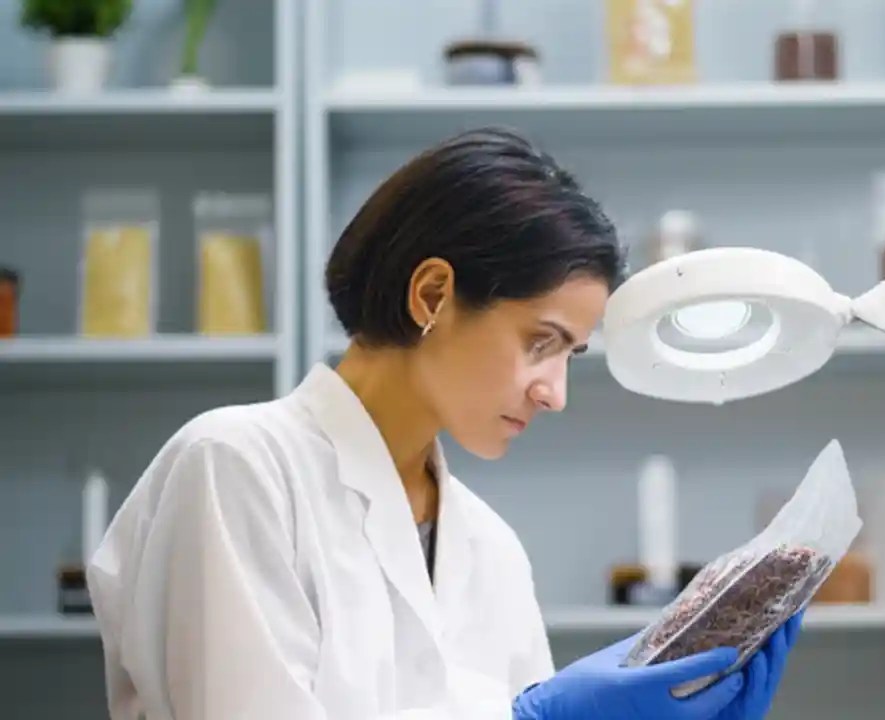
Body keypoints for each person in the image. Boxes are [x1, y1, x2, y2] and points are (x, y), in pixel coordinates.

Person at [87, 127, 803, 719]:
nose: (554, 393)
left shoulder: (489, 547)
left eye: (571, 357)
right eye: (539, 342)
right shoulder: (239, 465)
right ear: (433, 294)